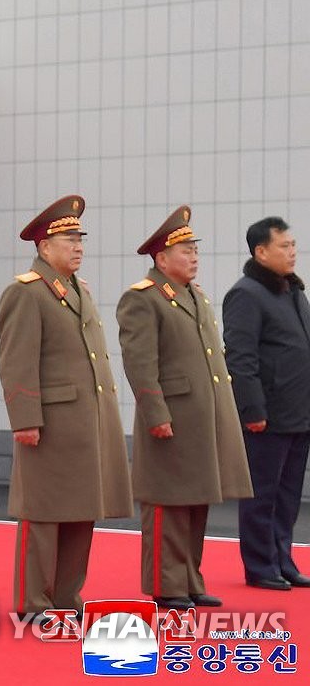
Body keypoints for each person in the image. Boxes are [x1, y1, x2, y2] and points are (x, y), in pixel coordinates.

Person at [0, 195, 132, 622]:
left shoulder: (77, 290)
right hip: (50, 424)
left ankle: (66, 599)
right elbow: (17, 361)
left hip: (86, 424)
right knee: (43, 515)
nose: (78, 245)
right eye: (68, 238)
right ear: (43, 247)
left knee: (80, 512)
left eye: (79, 238)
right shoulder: (26, 293)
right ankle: (34, 603)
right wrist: (25, 421)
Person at [116, 206, 253, 610]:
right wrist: (156, 414)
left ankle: (190, 580)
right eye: (185, 250)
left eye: (196, 250)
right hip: (171, 419)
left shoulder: (195, 296)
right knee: (167, 504)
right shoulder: (143, 299)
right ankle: (166, 584)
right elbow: (140, 364)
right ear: (161, 258)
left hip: (201, 419)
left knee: (195, 501)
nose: (194, 257)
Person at [223, 216, 310, 590]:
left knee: (288, 495)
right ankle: (260, 565)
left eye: (293, 245)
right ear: (261, 252)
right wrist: (253, 410)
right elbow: (241, 358)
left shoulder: (292, 291)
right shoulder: (246, 294)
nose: (292, 252)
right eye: (283, 246)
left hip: (299, 412)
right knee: (262, 494)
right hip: (268, 415)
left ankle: (283, 559)